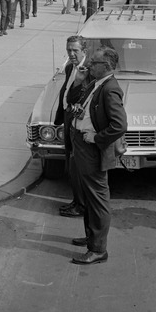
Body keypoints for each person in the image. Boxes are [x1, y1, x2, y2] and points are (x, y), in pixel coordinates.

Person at [68, 46, 128, 265]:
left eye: (94, 63)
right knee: (88, 197)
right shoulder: (95, 82)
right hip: (81, 147)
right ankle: (92, 237)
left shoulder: (110, 88)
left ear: (107, 66)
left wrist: (98, 138)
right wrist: (79, 80)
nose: (89, 65)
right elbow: (72, 101)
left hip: (93, 151)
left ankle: (98, 250)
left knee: (98, 200)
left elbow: (119, 125)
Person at [54, 35, 87, 218]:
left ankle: (81, 204)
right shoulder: (69, 68)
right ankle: (76, 200)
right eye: (69, 50)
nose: (71, 54)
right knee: (70, 164)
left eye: (75, 50)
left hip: (78, 124)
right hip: (68, 119)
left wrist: (78, 82)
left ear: (84, 51)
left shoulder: (87, 71)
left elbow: (78, 97)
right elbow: (65, 93)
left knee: (77, 166)